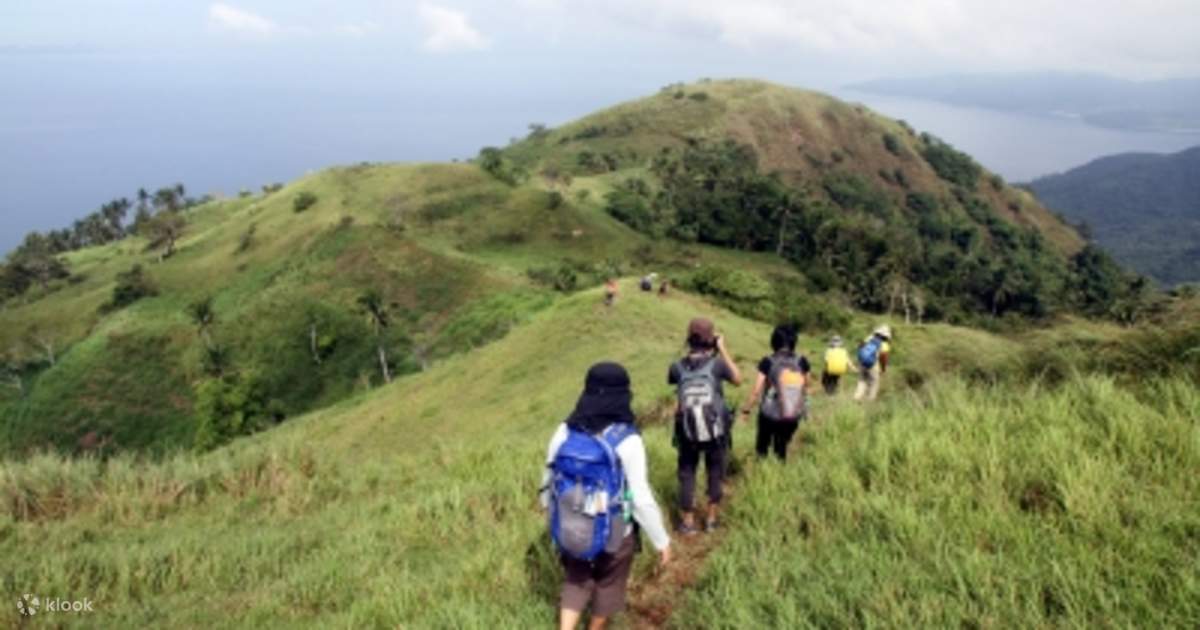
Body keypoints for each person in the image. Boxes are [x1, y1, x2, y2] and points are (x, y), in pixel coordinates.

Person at [542, 362, 671, 630]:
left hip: (571, 522)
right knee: (609, 584)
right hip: (615, 531)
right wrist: (661, 541)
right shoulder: (627, 439)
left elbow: (549, 479)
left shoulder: (565, 431)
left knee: (576, 579)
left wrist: (550, 514)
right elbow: (640, 497)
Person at [668, 318, 742, 533]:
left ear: (689, 338)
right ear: (712, 339)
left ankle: (688, 522)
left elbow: (673, 382)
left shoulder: (677, 367)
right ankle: (710, 520)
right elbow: (737, 379)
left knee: (687, 472)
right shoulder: (717, 365)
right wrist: (723, 349)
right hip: (715, 429)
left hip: (686, 430)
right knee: (715, 470)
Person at [741, 324, 811, 461]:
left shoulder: (767, 362)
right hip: (792, 414)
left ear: (774, 341)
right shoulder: (802, 362)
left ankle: (762, 473)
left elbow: (756, 391)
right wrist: (807, 411)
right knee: (781, 449)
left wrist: (746, 411)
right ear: (793, 342)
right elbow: (806, 388)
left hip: (769, 415)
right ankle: (779, 473)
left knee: (762, 449)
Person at [853, 325, 892, 402]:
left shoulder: (868, 338)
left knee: (862, 381)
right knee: (874, 384)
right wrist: (883, 369)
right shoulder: (884, 344)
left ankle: (857, 397)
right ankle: (869, 402)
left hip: (863, 364)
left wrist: (860, 360)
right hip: (873, 366)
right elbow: (884, 358)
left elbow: (860, 347)